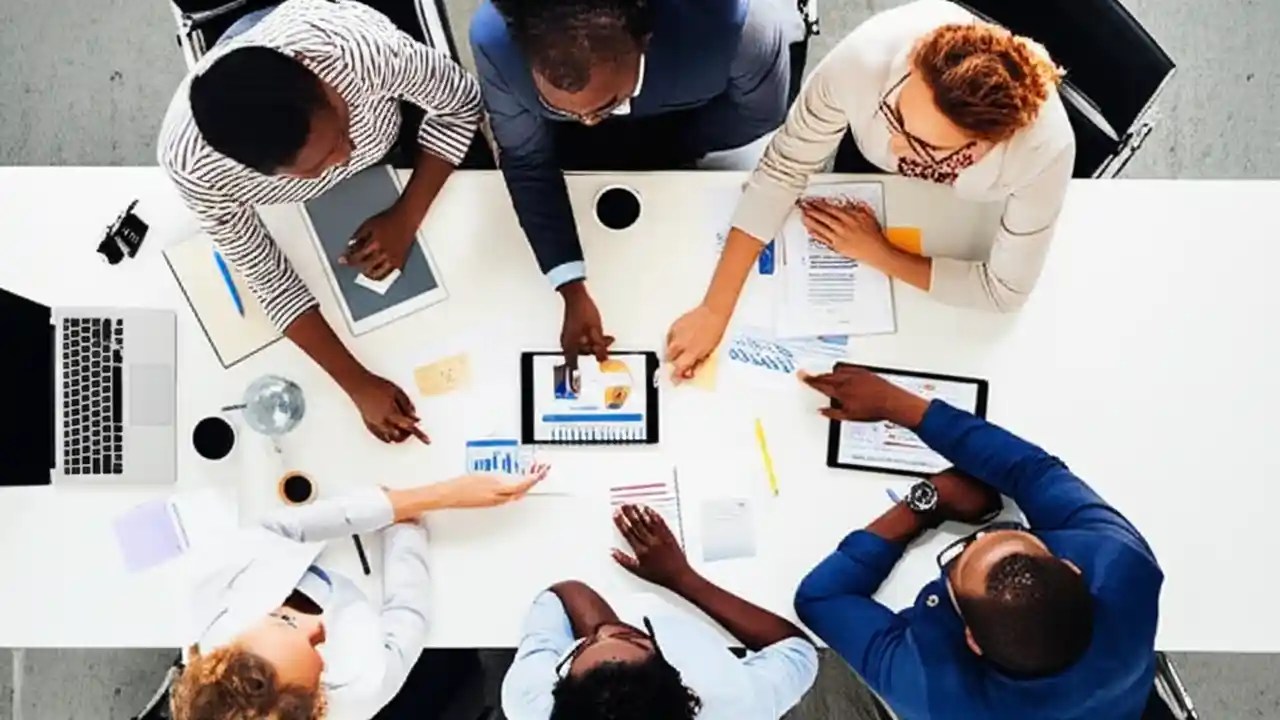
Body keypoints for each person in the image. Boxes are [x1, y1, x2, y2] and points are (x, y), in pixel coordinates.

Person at [667, 0, 1075, 379]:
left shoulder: (1042, 150)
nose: (893, 145)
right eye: (895, 112)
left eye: (921, 144)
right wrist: (714, 308)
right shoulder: (866, 59)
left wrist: (880, 253)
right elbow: (784, 168)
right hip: (871, 189)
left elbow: (1002, 292)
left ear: (982, 145)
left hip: (962, 220)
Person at [158, 0, 482, 443]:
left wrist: (405, 217)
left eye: (341, 132)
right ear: (256, 172)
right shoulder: (193, 167)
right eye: (318, 165)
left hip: (389, 120)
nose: (344, 156)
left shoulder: (359, 52)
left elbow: (461, 103)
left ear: (315, 74)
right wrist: (357, 384)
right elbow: (266, 275)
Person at [792, 365, 1163, 720]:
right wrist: (900, 407)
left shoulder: (935, 695)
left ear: (972, 640)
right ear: (1071, 567)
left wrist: (925, 505)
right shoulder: (1120, 566)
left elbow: (820, 597)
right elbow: (1033, 472)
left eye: (963, 554)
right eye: (1009, 534)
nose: (982, 534)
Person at [469, 0, 800, 370]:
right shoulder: (494, 42)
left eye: (604, 105)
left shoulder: (740, 31)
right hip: (563, 149)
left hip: (690, 125)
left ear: (644, 40)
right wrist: (571, 286)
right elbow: (527, 158)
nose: (589, 122)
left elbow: (760, 113)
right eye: (563, 108)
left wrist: (674, 145)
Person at [171, 465, 549, 720]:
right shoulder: (359, 690)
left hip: (345, 546)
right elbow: (408, 612)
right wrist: (408, 524)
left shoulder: (205, 604)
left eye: (282, 618)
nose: (318, 624)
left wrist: (432, 496)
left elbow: (278, 529)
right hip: (373, 577)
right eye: (318, 657)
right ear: (315, 703)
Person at [502, 505, 818, 719]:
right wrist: (681, 578)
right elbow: (797, 652)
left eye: (586, 645)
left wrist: (601, 625)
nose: (608, 632)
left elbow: (565, 593)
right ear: (684, 686)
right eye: (634, 639)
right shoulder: (737, 703)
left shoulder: (530, 701)